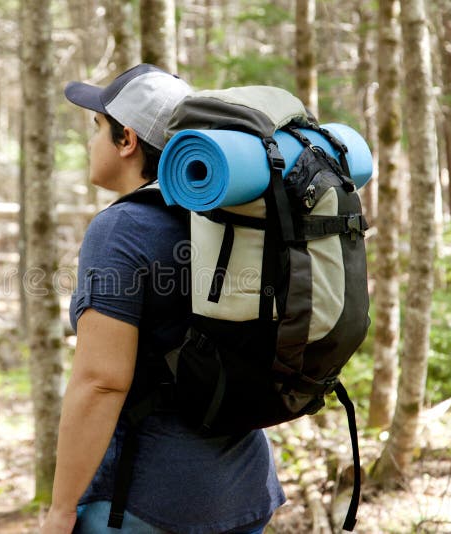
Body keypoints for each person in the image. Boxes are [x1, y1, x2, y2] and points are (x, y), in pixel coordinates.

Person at [42, 64, 285, 534]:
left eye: (98, 128)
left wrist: (60, 510)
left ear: (126, 140)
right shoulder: (232, 217)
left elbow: (101, 383)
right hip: (246, 487)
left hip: (148, 504)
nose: (90, 143)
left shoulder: (120, 230)